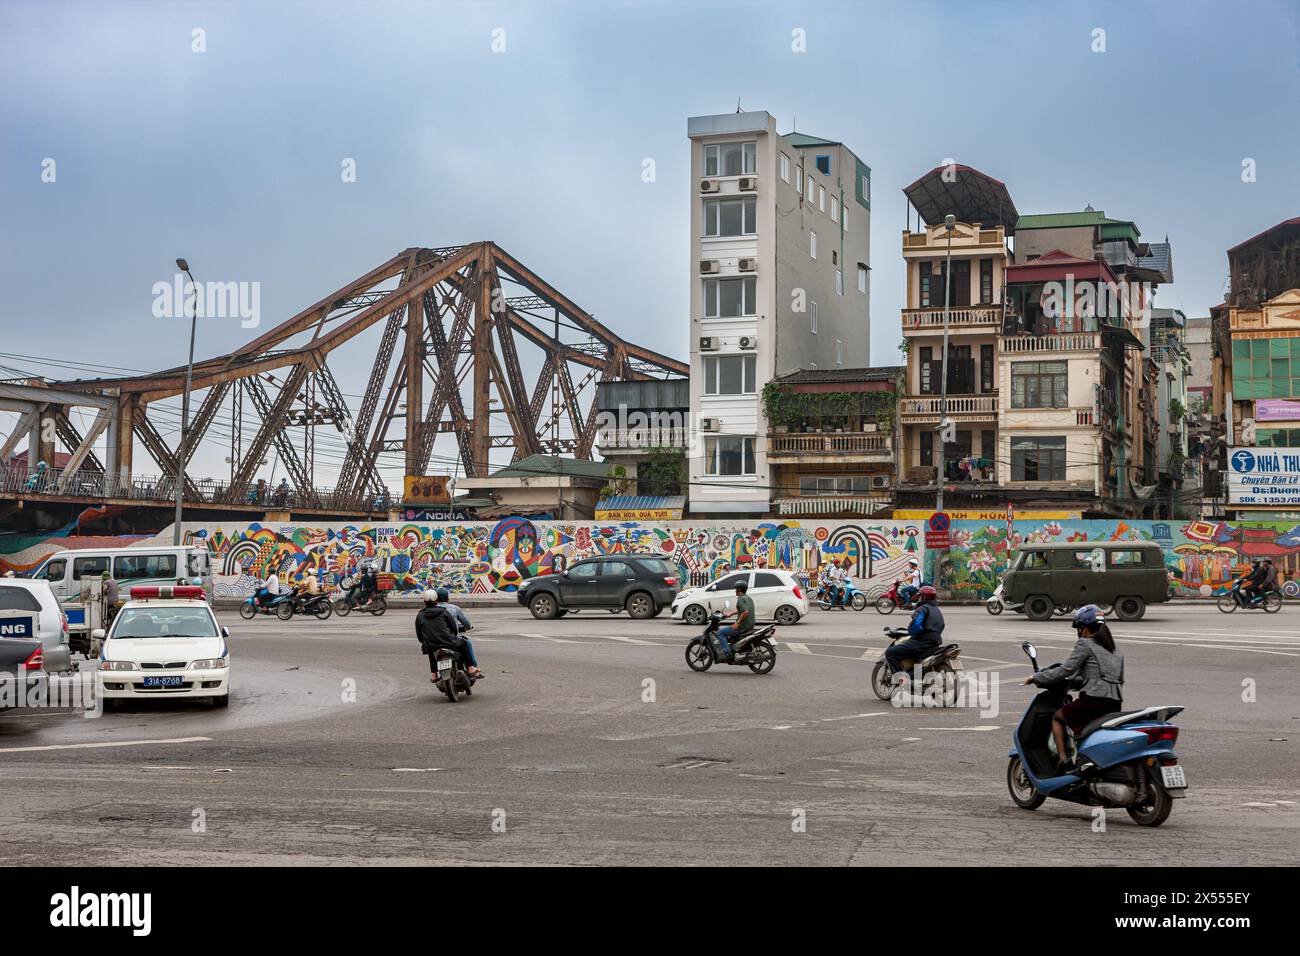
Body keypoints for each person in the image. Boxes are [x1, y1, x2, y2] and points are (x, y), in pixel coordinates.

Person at [1023, 604, 1124, 775]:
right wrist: (1077, 683)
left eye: (1079, 627)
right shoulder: (1116, 651)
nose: (1078, 631)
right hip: (1114, 704)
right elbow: (1109, 679)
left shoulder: (1085, 644)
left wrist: (1037, 678)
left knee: (1057, 717)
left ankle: (1064, 760)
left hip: (1094, 701)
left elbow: (1065, 670)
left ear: (1084, 628)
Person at [415, 589, 481, 680]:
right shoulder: (443, 611)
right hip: (448, 641)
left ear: (424, 601)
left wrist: (425, 641)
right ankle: (470, 668)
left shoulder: (420, 615)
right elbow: (453, 628)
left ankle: (434, 674)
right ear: (436, 600)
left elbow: (419, 634)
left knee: (431, 649)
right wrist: (452, 636)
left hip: (430, 644)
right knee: (465, 643)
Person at [886, 584, 943, 683]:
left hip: (921, 642)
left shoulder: (923, 608)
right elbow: (941, 626)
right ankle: (915, 676)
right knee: (914, 656)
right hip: (935, 643)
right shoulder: (937, 610)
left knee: (890, 653)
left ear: (924, 598)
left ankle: (902, 680)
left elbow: (916, 625)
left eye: (920, 596)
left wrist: (913, 632)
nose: (919, 598)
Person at [714, 580, 755, 661]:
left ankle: (727, 653)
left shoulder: (741, 599)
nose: (735, 590)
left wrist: (737, 623)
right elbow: (743, 610)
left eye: (736, 589)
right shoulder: (748, 598)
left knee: (720, 633)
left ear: (739, 589)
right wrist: (731, 613)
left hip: (742, 626)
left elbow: (745, 612)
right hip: (750, 625)